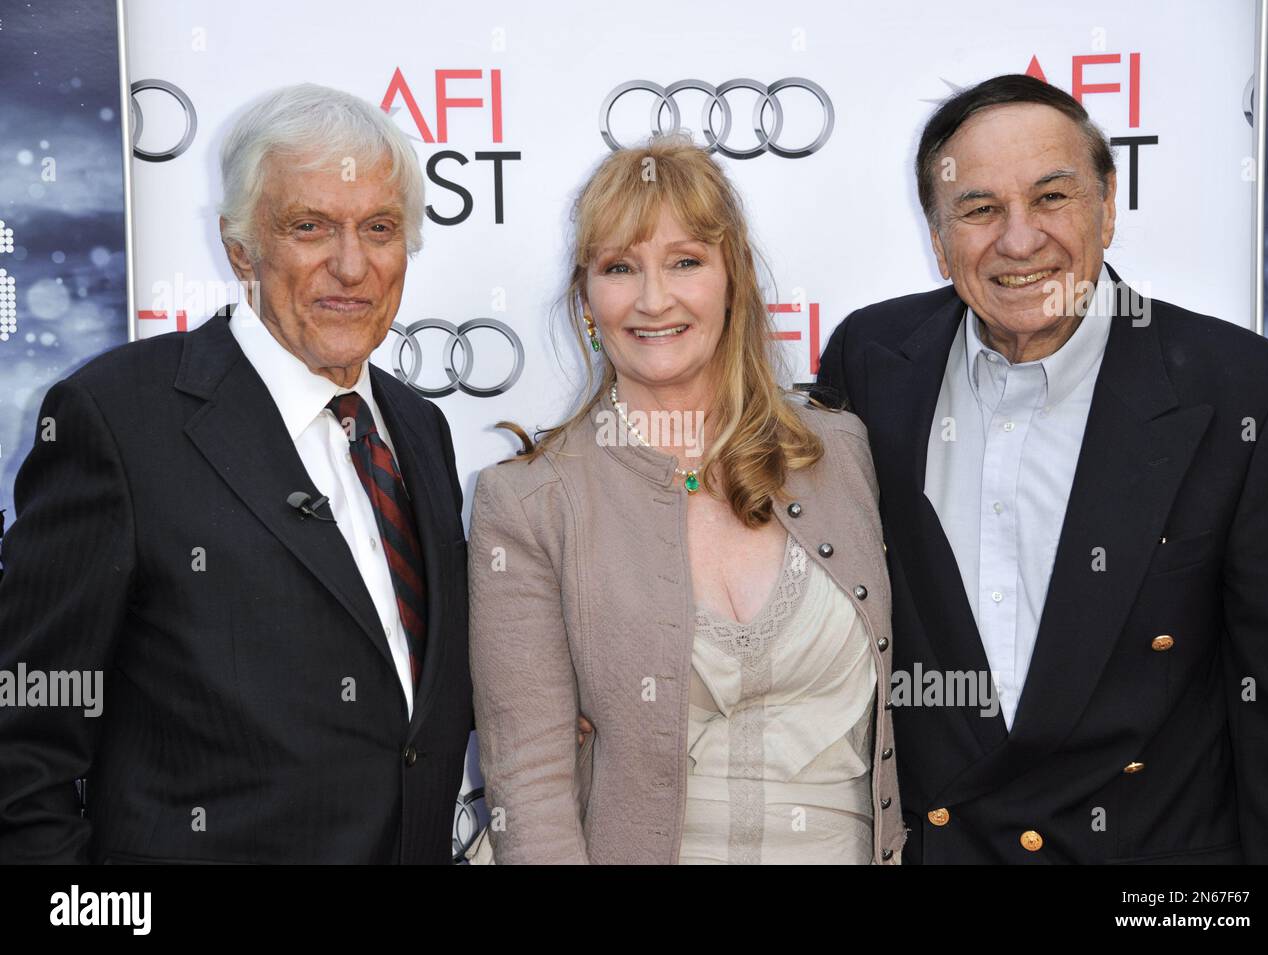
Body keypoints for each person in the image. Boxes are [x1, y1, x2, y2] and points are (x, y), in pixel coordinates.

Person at [815, 73, 1268, 864]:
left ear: (1108, 207)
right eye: (978, 209)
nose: (1019, 240)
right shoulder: (871, 362)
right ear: (937, 239)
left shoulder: (1246, 393)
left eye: (1051, 198)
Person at [0, 84, 472, 863]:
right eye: (310, 226)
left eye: (380, 228)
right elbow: (22, 749)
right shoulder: (117, 421)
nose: (351, 265)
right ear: (240, 247)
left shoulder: (420, 429)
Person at [468, 135, 904, 865]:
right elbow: (530, 785)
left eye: (685, 261)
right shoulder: (528, 501)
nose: (653, 299)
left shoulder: (838, 454)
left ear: (730, 278)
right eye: (619, 268)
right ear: (585, 299)